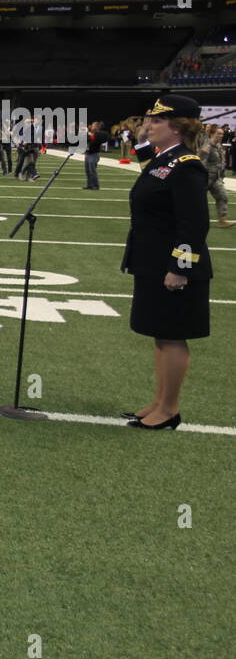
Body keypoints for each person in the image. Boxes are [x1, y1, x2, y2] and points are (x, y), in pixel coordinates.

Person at [121, 95, 212, 430]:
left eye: (157, 121)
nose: (149, 125)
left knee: (172, 336)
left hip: (173, 266)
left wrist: (180, 268)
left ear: (176, 127)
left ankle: (170, 409)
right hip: (153, 261)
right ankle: (160, 400)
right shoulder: (166, 158)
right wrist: (143, 134)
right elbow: (146, 163)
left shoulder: (187, 165)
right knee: (160, 334)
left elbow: (194, 224)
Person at [197, 124, 233, 227]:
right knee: (196, 200)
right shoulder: (207, 145)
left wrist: (221, 176)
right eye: (218, 133)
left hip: (215, 178)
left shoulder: (218, 145)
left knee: (223, 196)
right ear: (212, 134)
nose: (221, 135)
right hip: (205, 178)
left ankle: (222, 220)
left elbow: (220, 162)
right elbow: (199, 159)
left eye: (222, 133)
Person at [83, 120, 108, 191]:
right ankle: (89, 185)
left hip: (93, 154)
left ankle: (95, 185)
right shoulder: (91, 133)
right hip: (88, 153)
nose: (91, 126)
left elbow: (95, 139)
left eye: (93, 125)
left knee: (92, 170)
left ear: (96, 127)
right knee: (87, 170)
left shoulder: (98, 134)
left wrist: (90, 135)